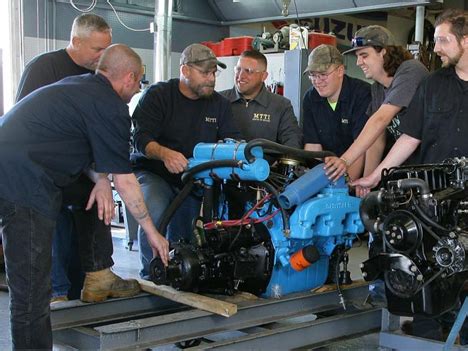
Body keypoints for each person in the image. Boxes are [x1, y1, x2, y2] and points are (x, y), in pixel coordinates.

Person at [0, 44, 170, 350]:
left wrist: (100, 180)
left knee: (89, 197)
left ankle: (98, 273)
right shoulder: (112, 107)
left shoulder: (80, 88)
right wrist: (153, 233)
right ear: (129, 78)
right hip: (21, 182)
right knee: (32, 290)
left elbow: (72, 144)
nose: (136, 91)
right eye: (139, 83)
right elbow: (128, 181)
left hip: (19, 168)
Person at [353, 9, 468, 343]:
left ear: (465, 40)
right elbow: (409, 137)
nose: (438, 48)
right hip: (435, 201)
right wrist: (377, 175)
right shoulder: (432, 84)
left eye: (444, 40)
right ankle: (425, 341)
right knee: (428, 272)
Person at [15, 13, 139, 303]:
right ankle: (57, 292)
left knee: (99, 199)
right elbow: (27, 127)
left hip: (82, 169)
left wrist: (102, 179)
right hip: (41, 170)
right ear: (75, 41)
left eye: (107, 49)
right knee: (54, 207)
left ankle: (99, 275)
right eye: (98, 50)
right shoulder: (44, 69)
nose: (103, 56)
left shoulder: (101, 78)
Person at [131, 43, 240, 278]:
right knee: (157, 212)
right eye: (205, 73)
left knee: (185, 235)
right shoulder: (158, 95)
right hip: (155, 173)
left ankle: (181, 277)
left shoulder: (219, 104)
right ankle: (152, 274)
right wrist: (165, 153)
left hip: (193, 179)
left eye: (214, 73)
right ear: (185, 70)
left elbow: (233, 139)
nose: (211, 79)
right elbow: (140, 138)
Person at [323, 25, 429, 185]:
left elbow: (381, 119)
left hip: (431, 167)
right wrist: (367, 181)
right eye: (358, 56)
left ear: (384, 52)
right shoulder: (377, 88)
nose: (358, 62)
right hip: (405, 170)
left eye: (364, 55)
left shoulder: (410, 70)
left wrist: (344, 160)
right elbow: (377, 138)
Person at [302, 44, 371, 181]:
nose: (317, 81)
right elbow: (313, 146)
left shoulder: (361, 94)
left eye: (322, 75)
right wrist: (314, 183)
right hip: (329, 174)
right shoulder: (310, 98)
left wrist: (347, 184)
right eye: (313, 75)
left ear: (340, 71)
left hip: (361, 176)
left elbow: (362, 146)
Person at [220, 50, 302, 148]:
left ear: (263, 76)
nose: (241, 76)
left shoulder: (281, 106)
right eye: (238, 69)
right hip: (225, 162)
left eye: (249, 71)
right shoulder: (219, 101)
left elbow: (292, 143)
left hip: (267, 163)